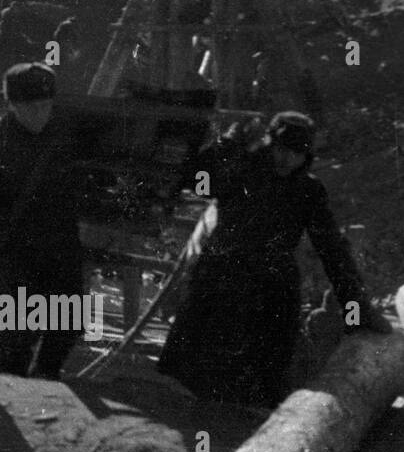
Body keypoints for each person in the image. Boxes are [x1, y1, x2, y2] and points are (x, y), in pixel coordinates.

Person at [158, 112, 392, 407]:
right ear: (269, 144)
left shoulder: (308, 190)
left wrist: (355, 305)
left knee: (258, 383)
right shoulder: (242, 168)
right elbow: (198, 183)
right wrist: (228, 143)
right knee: (200, 375)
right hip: (223, 276)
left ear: (305, 155)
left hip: (269, 286)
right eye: (281, 150)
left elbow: (332, 249)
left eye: (295, 153)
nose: (286, 159)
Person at [0, 63, 85, 378]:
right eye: (31, 107)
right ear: (12, 105)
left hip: (54, 248)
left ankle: (46, 378)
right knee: (5, 344)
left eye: (46, 106)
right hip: (11, 254)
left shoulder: (59, 137)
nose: (40, 113)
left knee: (68, 319)